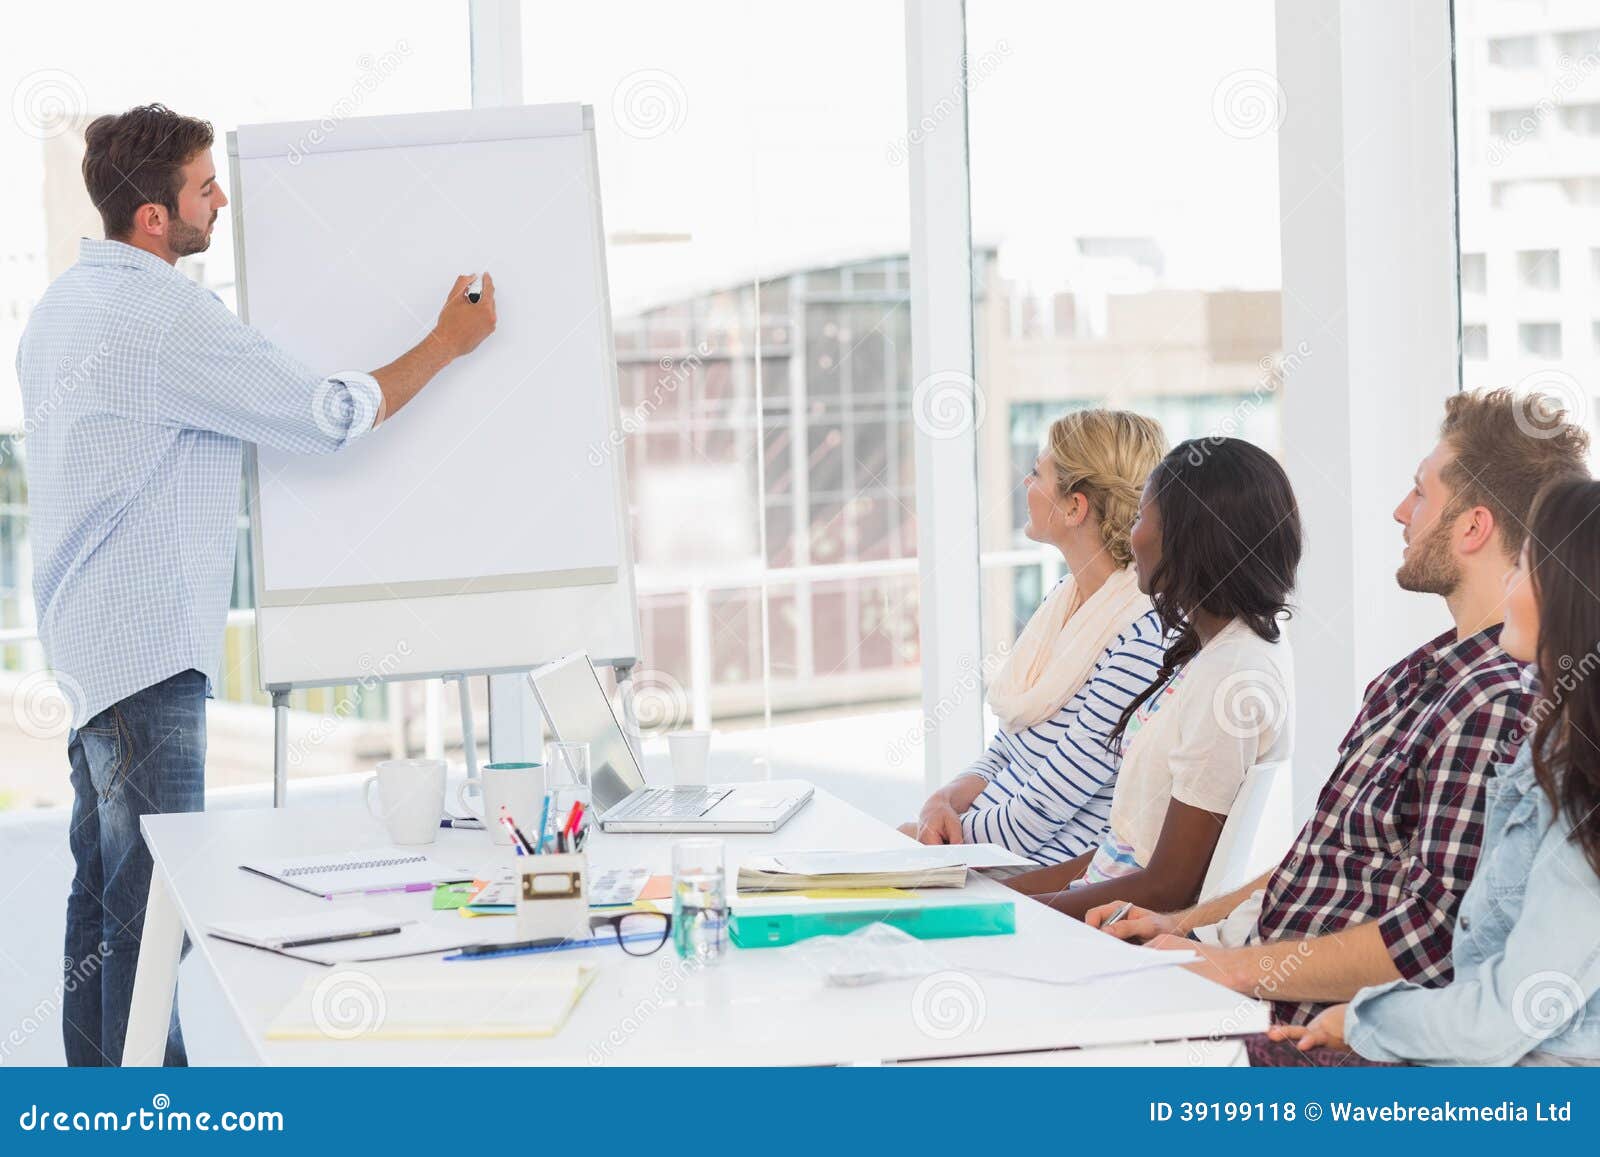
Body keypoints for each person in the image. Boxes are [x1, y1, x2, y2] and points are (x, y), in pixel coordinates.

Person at [16, 104, 498, 1067]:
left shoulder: (60, 308)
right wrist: (445, 343)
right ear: (155, 217)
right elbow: (323, 414)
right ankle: (157, 1122)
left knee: (103, 909)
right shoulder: (163, 316)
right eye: (203, 186)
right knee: (154, 920)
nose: (220, 198)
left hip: (87, 654)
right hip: (150, 660)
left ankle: (93, 1119)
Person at [1089, 389, 1591, 1026]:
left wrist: (1230, 970)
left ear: (1472, 527)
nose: (1399, 512)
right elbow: (1320, 861)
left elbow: (1430, 940)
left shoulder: (1492, 704)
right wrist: (1180, 926)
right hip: (1249, 980)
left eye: (1420, 494)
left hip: (1295, 1026)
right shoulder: (1415, 677)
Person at [1259, 477, 1600, 1066]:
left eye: (1524, 568)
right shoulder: (1546, 751)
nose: (1509, 585)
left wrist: (1367, 1020)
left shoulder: (1577, 794)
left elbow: (1499, 1020)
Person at [1004, 437, 1301, 920]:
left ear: (1189, 539)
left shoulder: (1230, 677)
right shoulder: (1219, 652)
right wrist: (1003, 896)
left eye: (1143, 517)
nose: (1132, 535)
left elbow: (1168, 887)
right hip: (1096, 907)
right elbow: (1121, 853)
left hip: (1113, 935)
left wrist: (1020, 912)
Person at [897, 409, 1168, 864]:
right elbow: (1009, 746)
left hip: (1044, 876)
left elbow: (1040, 813)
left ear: (1074, 506)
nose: (1026, 485)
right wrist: (942, 800)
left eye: (1036, 473)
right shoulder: (1064, 600)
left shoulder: (1141, 638)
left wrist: (942, 840)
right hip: (994, 848)